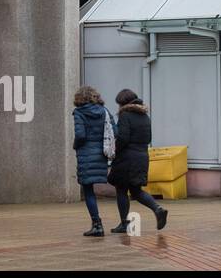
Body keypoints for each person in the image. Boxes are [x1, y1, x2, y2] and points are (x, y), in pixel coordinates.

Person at [108, 88, 168, 233]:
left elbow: (123, 138)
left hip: (127, 158)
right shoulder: (145, 116)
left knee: (121, 189)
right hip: (142, 156)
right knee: (135, 190)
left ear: (123, 103)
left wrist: (114, 150)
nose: (118, 107)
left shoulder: (125, 115)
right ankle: (157, 208)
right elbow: (149, 138)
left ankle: (124, 223)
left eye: (119, 104)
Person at [72, 86, 112, 237]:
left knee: (88, 190)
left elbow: (80, 135)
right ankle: (97, 225)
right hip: (100, 154)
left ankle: (97, 225)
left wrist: (75, 145)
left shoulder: (79, 112)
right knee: (90, 189)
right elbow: (114, 131)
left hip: (86, 155)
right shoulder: (104, 111)